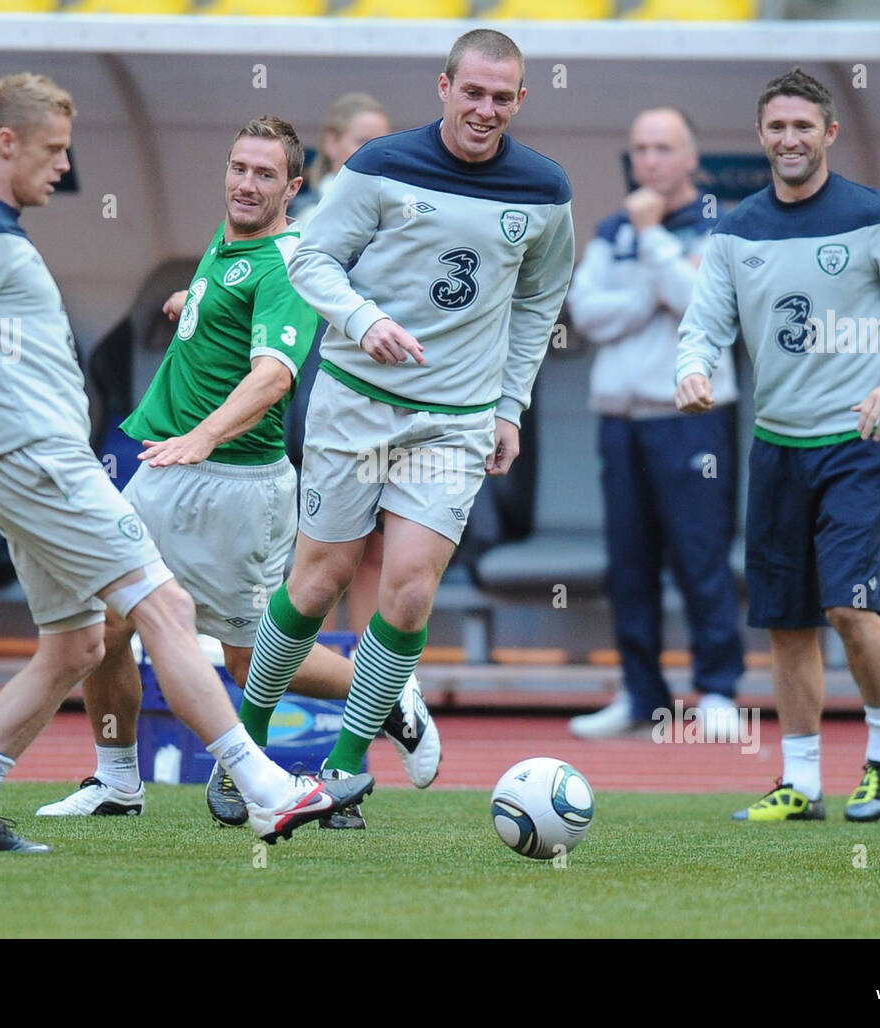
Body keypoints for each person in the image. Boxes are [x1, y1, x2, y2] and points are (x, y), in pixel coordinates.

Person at [0, 73, 372, 853]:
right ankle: (267, 790)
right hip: (51, 470)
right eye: (54, 150)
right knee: (164, 613)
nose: (63, 167)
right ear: (7, 143)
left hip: (26, 467)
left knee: (74, 646)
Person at [34, 116, 440, 826]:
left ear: (293, 187)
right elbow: (232, 318)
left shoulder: (290, 258)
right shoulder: (232, 241)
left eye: (263, 174)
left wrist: (203, 436)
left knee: (251, 666)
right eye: (238, 168)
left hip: (232, 487)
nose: (245, 184)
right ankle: (118, 780)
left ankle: (389, 693)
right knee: (100, 625)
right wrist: (191, 305)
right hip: (169, 471)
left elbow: (274, 376)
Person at [237, 28, 574, 821]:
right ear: (445, 87)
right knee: (317, 581)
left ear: (520, 100)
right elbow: (310, 260)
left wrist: (509, 408)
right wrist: (363, 321)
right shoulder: (381, 165)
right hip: (354, 402)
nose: (485, 109)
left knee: (411, 591)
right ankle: (243, 754)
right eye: (473, 92)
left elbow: (538, 305)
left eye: (502, 97)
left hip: (453, 423)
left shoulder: (545, 190)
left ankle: (345, 769)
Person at [675, 67, 880, 822]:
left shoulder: (875, 218)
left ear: (830, 133)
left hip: (863, 439)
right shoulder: (737, 230)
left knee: (847, 605)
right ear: (762, 136)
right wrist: (694, 367)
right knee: (787, 617)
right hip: (777, 445)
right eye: (778, 127)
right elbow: (703, 324)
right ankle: (801, 783)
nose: (790, 139)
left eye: (805, 126)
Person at [566, 106, 744, 741]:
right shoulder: (612, 227)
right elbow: (586, 313)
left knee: (702, 554)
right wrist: (652, 288)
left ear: (691, 157)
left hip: (692, 417)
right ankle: (641, 693)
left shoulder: (720, 224)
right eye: (640, 148)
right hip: (621, 418)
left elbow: (703, 303)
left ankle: (718, 690)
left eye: (664, 148)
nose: (650, 160)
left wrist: (652, 244)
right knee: (628, 563)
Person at [285, 93, 392, 635]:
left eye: (382, 143)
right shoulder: (304, 213)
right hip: (312, 392)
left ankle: (370, 694)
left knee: (375, 547)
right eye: (359, 142)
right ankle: (314, 688)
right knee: (321, 553)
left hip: (381, 394)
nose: (372, 154)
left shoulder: (399, 207)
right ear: (330, 145)